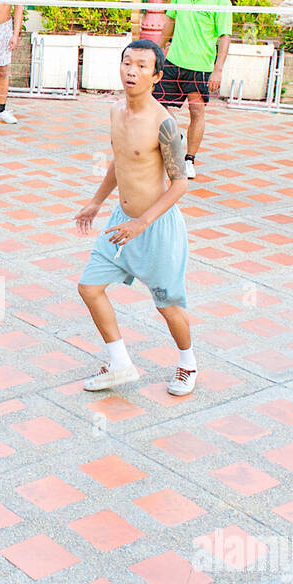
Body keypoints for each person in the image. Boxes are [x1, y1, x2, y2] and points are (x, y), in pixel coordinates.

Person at [75, 39, 196, 396]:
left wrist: (141, 223)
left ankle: (188, 364)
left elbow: (179, 185)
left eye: (143, 66)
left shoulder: (165, 124)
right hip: (120, 221)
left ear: (157, 76)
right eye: (127, 63)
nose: (132, 71)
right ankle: (121, 363)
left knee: (167, 304)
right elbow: (122, 160)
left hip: (156, 228)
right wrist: (96, 201)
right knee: (89, 287)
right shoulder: (115, 111)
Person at [153, 0, 232, 180]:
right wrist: (158, 51)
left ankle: (189, 160)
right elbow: (170, 20)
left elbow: (224, 36)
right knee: (159, 106)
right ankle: (176, 137)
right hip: (174, 62)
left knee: (197, 111)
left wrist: (218, 69)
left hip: (201, 67)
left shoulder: (221, 1)